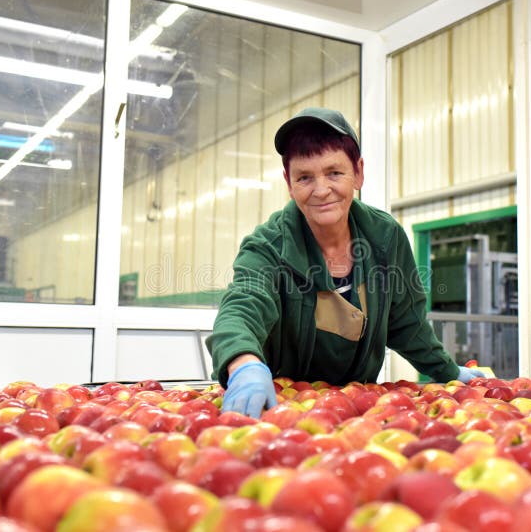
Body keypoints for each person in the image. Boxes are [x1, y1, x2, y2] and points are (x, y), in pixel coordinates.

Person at [206, 107, 485, 418]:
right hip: (281, 411)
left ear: (358, 172)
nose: (322, 190)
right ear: (289, 182)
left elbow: (406, 323)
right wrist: (244, 364)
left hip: (360, 412)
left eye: (334, 173)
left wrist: (447, 371)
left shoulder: (385, 238)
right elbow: (243, 306)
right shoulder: (270, 247)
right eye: (305, 177)